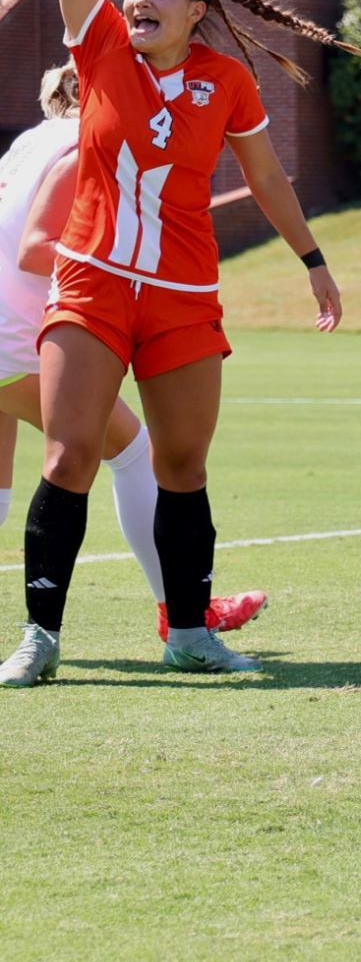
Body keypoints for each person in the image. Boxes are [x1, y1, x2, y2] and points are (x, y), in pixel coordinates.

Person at [2, 0, 361, 688]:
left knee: (181, 462)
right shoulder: (100, 47)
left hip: (181, 294)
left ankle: (189, 631)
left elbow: (272, 176)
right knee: (71, 451)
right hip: (89, 281)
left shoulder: (227, 80)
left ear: (198, 9)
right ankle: (41, 637)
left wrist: (313, 260)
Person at [0, 65, 266, 679]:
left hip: (6, 331)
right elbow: (37, 248)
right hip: (18, 338)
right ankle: (178, 614)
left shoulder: (25, 143)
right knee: (131, 453)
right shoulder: (80, 145)